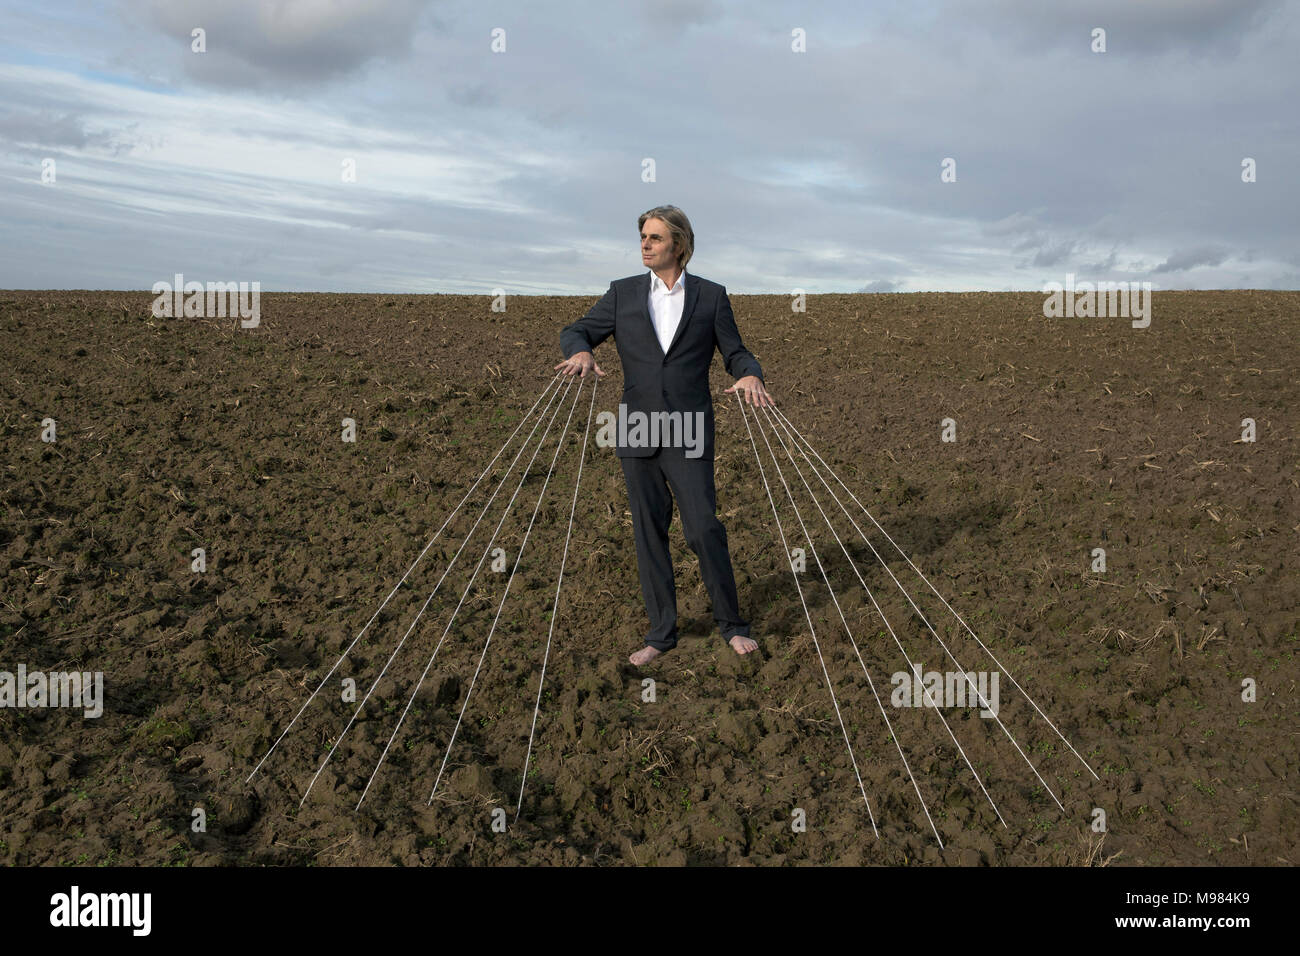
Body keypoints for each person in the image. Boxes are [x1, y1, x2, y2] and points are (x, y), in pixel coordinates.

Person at [555, 205, 773, 666]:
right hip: (637, 425)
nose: (645, 245)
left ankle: (732, 625)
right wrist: (580, 353)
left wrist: (750, 375)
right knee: (648, 531)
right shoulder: (623, 293)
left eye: (655, 238)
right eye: (642, 237)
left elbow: (736, 351)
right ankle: (661, 633)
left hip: (689, 426)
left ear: (679, 244)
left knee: (703, 527)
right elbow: (578, 330)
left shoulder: (711, 297)